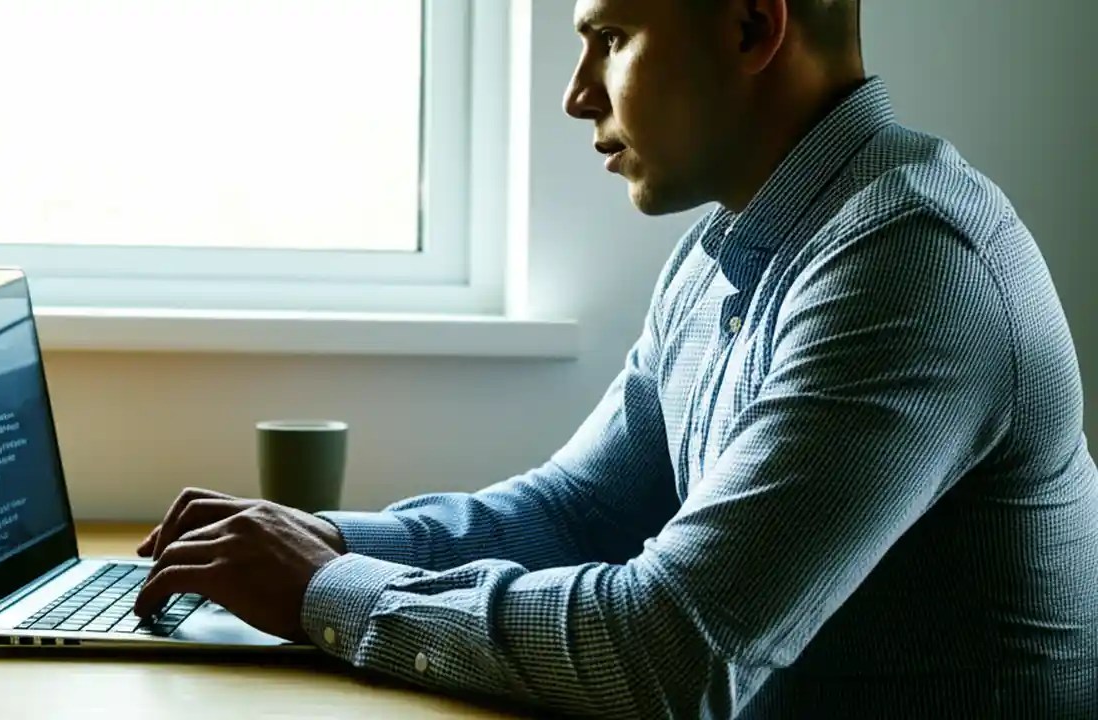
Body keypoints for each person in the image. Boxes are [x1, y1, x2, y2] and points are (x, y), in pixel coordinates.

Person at [133, 0, 1098, 716]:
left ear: (754, 26)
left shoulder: (912, 262)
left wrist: (320, 593)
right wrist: (322, 544)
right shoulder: (733, 248)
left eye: (610, 37)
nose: (575, 93)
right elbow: (579, 511)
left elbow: (674, 652)